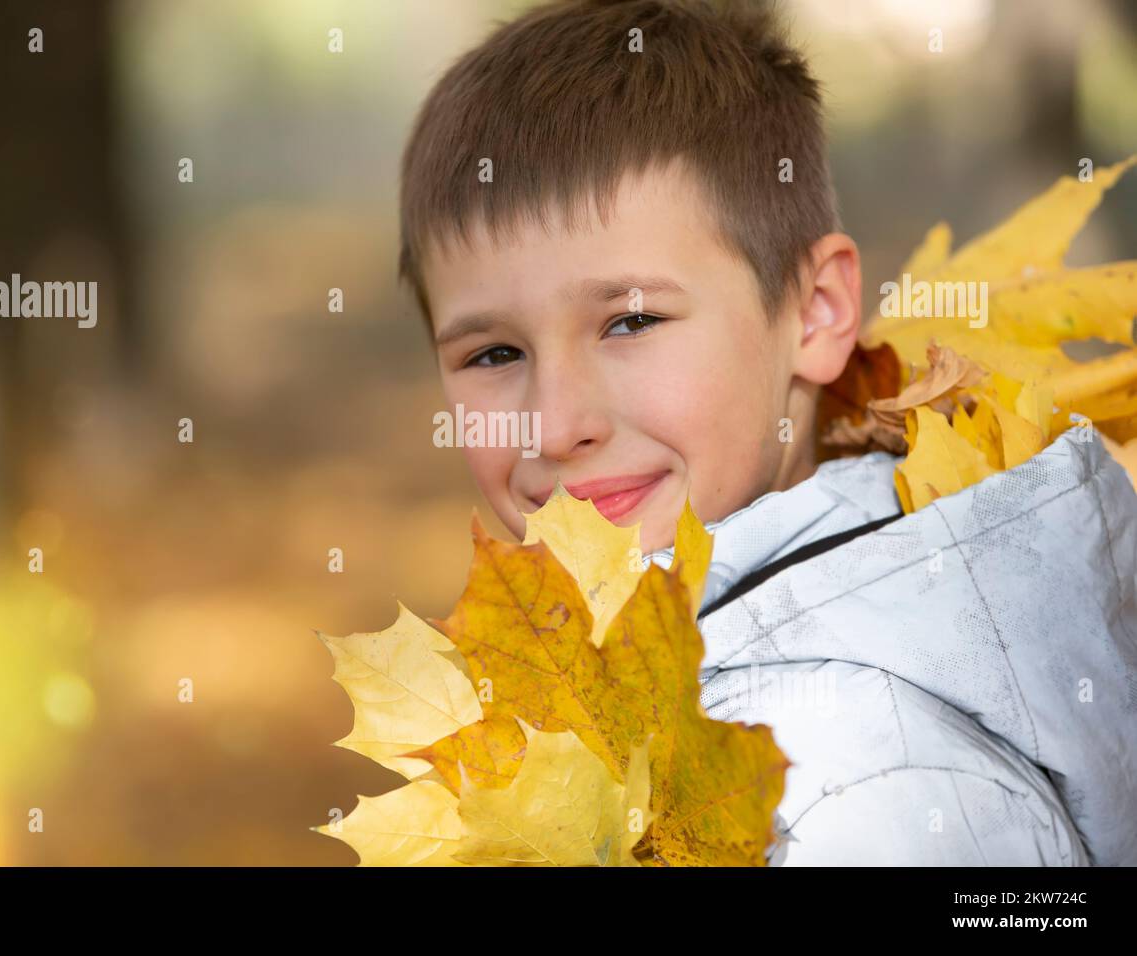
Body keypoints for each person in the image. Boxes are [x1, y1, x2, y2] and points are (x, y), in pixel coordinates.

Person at [395, 0, 1137, 864]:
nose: (556, 426)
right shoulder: (607, 692)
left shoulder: (859, 797)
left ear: (816, 312)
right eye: (493, 353)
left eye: (631, 324)